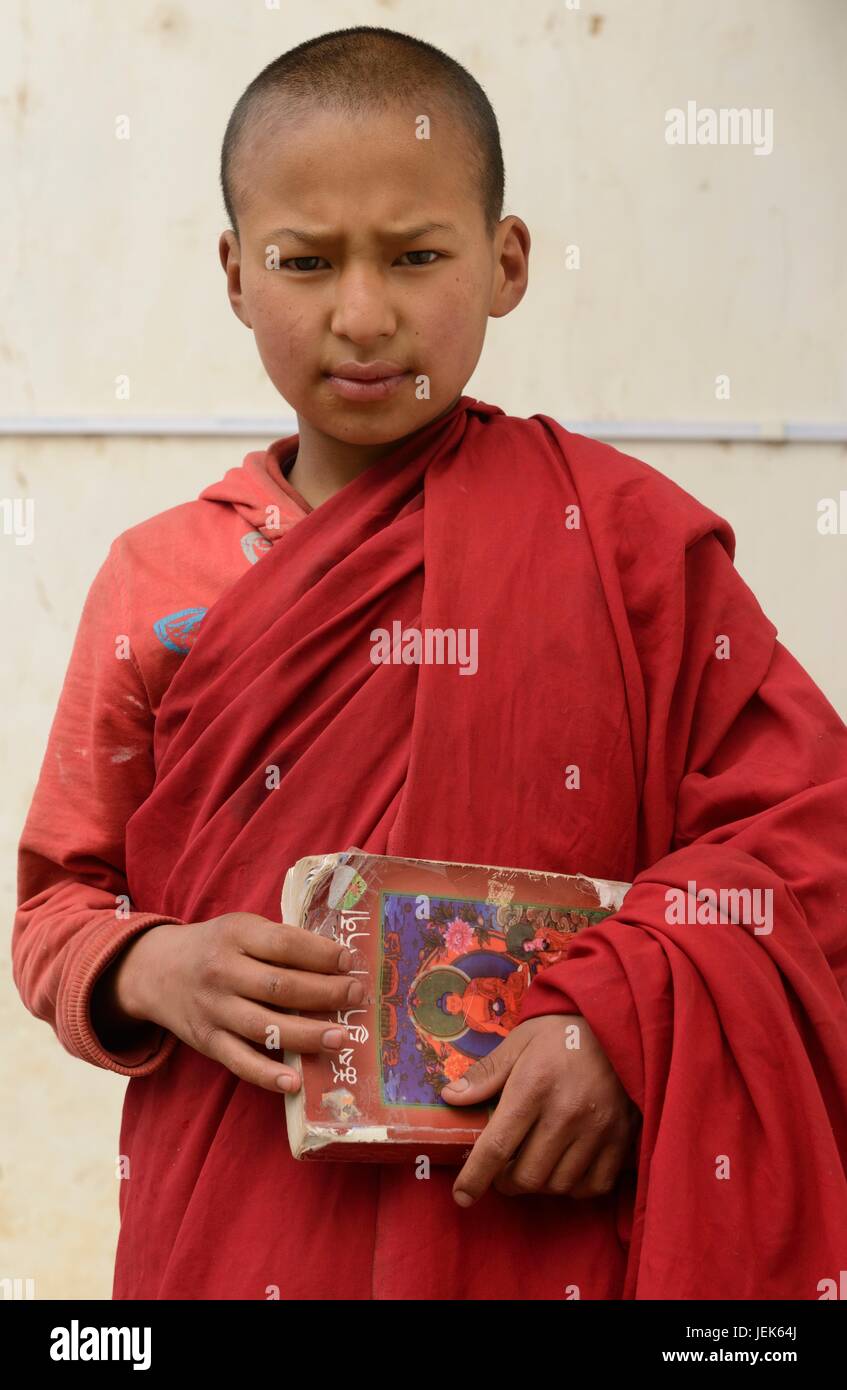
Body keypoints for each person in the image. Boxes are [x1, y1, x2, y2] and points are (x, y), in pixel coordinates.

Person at [12, 25, 847, 1301]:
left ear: (505, 263)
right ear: (235, 274)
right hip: (239, 1220)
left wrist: (620, 1020)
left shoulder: (620, 540)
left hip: (534, 1208)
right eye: (305, 262)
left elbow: (806, 838)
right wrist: (153, 965)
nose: (362, 314)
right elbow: (57, 906)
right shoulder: (161, 580)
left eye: (415, 256)